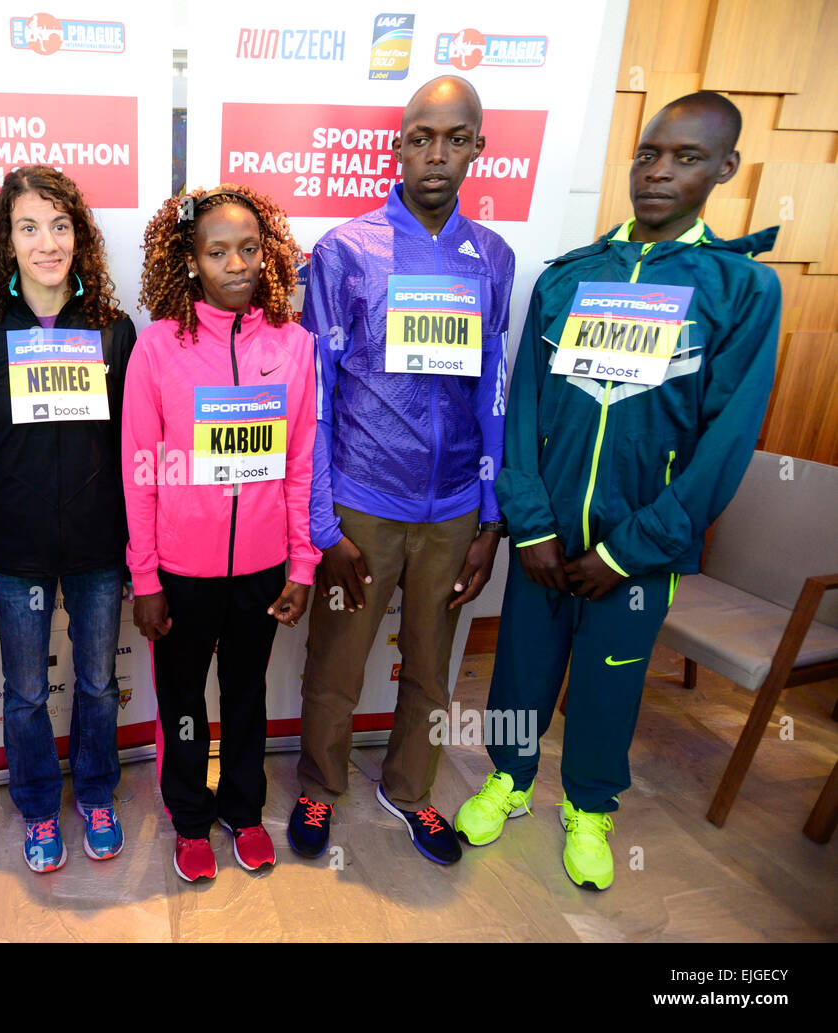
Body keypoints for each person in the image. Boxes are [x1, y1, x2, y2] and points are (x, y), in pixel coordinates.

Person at [453, 91, 782, 891]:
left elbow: (725, 444)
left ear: (726, 169)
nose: (659, 171)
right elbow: (522, 407)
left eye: (687, 157)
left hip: (636, 548)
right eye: (648, 153)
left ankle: (592, 805)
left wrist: (628, 549)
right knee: (521, 667)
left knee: (612, 676)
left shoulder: (740, 289)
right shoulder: (569, 280)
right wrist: (529, 526)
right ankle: (510, 778)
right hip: (547, 540)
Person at [286, 76, 515, 865]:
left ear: (479, 148)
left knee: (430, 663)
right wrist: (323, 522)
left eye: (457, 138)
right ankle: (319, 785)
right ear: (399, 145)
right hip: (363, 503)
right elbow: (315, 396)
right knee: (337, 662)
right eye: (423, 137)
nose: (438, 155)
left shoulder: (494, 257)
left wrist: (490, 517)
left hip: (453, 507)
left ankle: (410, 790)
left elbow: (494, 385)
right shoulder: (346, 251)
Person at [124, 184, 319, 882]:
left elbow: (300, 464)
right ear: (190, 261)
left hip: (264, 566)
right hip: (182, 569)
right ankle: (187, 814)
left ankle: (242, 808)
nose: (237, 264)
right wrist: (145, 577)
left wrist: (302, 563)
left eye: (248, 248)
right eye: (217, 252)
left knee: (245, 694)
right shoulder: (157, 348)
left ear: (266, 254)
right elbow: (139, 469)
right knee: (183, 703)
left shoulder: (294, 346)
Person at [0, 166, 136, 872]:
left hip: (97, 548)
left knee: (94, 683)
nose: (47, 242)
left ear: (79, 237)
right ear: (8, 242)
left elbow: (131, 453)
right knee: (25, 693)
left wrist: (135, 554)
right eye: (29, 227)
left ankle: (95, 792)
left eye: (59, 226)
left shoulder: (113, 331)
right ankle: (34, 806)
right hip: (16, 551)